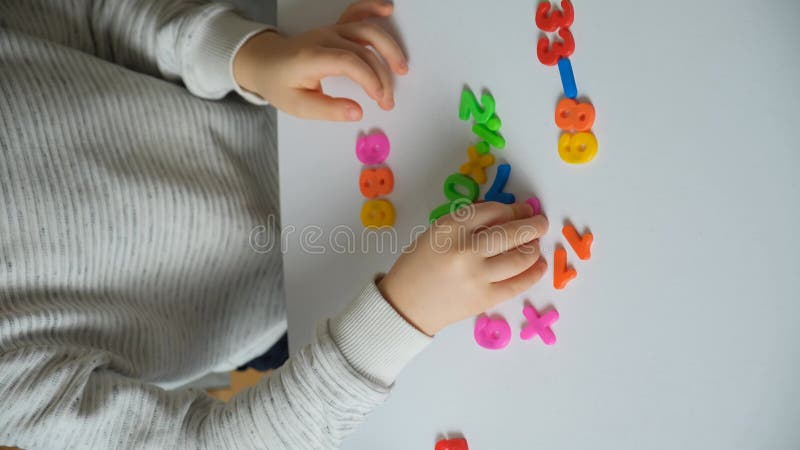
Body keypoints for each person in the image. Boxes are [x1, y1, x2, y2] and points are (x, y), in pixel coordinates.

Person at [0, 0, 549, 448]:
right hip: (291, 314)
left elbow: (91, 18)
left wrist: (247, 56)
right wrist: (403, 315)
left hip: (287, 114)